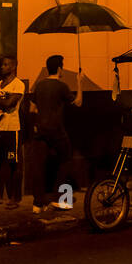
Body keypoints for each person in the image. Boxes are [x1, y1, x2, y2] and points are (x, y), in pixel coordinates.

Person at [26, 55, 82, 213]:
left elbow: (32, 109)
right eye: (62, 66)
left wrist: (38, 122)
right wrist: (79, 81)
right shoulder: (61, 86)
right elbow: (78, 102)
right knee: (66, 161)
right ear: (59, 68)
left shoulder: (39, 85)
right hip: (57, 131)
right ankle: (61, 200)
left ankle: (37, 204)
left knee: (39, 167)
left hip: (40, 130)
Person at [0, 55, 24, 209]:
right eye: (2, 64)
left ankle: (14, 197)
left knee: (13, 164)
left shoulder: (18, 85)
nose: (2, 67)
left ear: (13, 67)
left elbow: (10, 103)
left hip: (11, 128)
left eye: (6, 65)